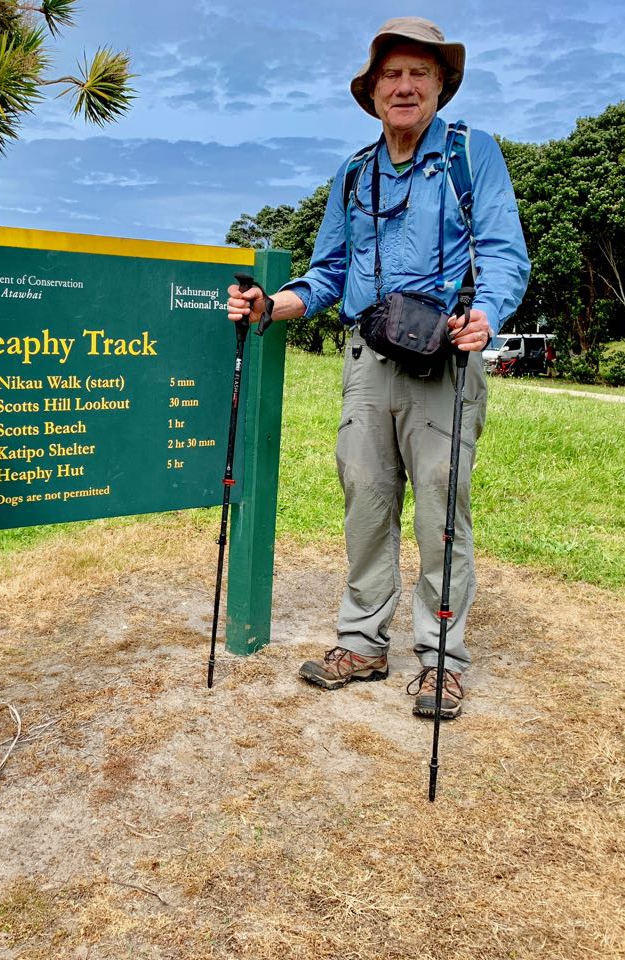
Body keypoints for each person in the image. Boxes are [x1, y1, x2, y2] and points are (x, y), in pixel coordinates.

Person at [228, 17, 529, 720]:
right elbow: (329, 272)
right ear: (371, 91)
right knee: (365, 500)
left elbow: (505, 251)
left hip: (444, 358)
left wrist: (488, 314)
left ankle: (441, 660)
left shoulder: (470, 154)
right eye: (392, 74)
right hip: (367, 360)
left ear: (440, 86)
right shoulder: (354, 173)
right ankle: (362, 643)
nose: (404, 86)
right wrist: (272, 305)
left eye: (419, 74)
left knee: (440, 510)